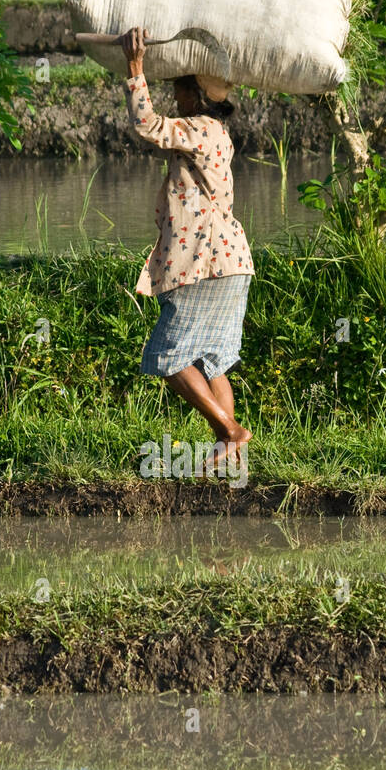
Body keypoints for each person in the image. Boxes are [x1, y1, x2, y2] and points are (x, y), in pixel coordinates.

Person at [120, 26, 253, 467]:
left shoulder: (201, 128)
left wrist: (135, 67)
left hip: (206, 262)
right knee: (213, 360)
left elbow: (148, 126)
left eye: (179, 92)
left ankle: (230, 431)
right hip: (229, 262)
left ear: (197, 96)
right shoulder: (213, 132)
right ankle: (229, 455)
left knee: (169, 356)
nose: (175, 100)